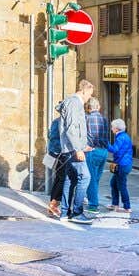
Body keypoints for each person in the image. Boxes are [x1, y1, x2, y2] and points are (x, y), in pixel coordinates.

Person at [49, 80, 95, 222]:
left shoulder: (72, 103)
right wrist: (78, 148)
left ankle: (65, 212)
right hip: (72, 150)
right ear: (83, 91)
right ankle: (76, 212)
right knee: (85, 177)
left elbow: (74, 128)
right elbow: (71, 128)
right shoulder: (75, 103)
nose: (89, 98)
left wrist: (83, 144)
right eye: (89, 94)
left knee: (70, 179)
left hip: (70, 149)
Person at [83, 97, 109, 215]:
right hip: (103, 151)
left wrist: (88, 146)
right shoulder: (104, 119)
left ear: (88, 107)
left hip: (92, 151)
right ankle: (91, 198)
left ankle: (93, 205)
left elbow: (86, 135)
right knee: (96, 178)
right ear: (98, 107)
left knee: (91, 179)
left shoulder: (86, 118)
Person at [107, 119, 134, 213]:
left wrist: (105, 143)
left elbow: (114, 150)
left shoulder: (120, 138)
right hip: (125, 164)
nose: (111, 129)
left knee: (121, 186)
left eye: (112, 127)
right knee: (113, 183)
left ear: (116, 128)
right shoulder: (125, 136)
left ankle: (127, 207)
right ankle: (115, 204)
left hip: (122, 165)